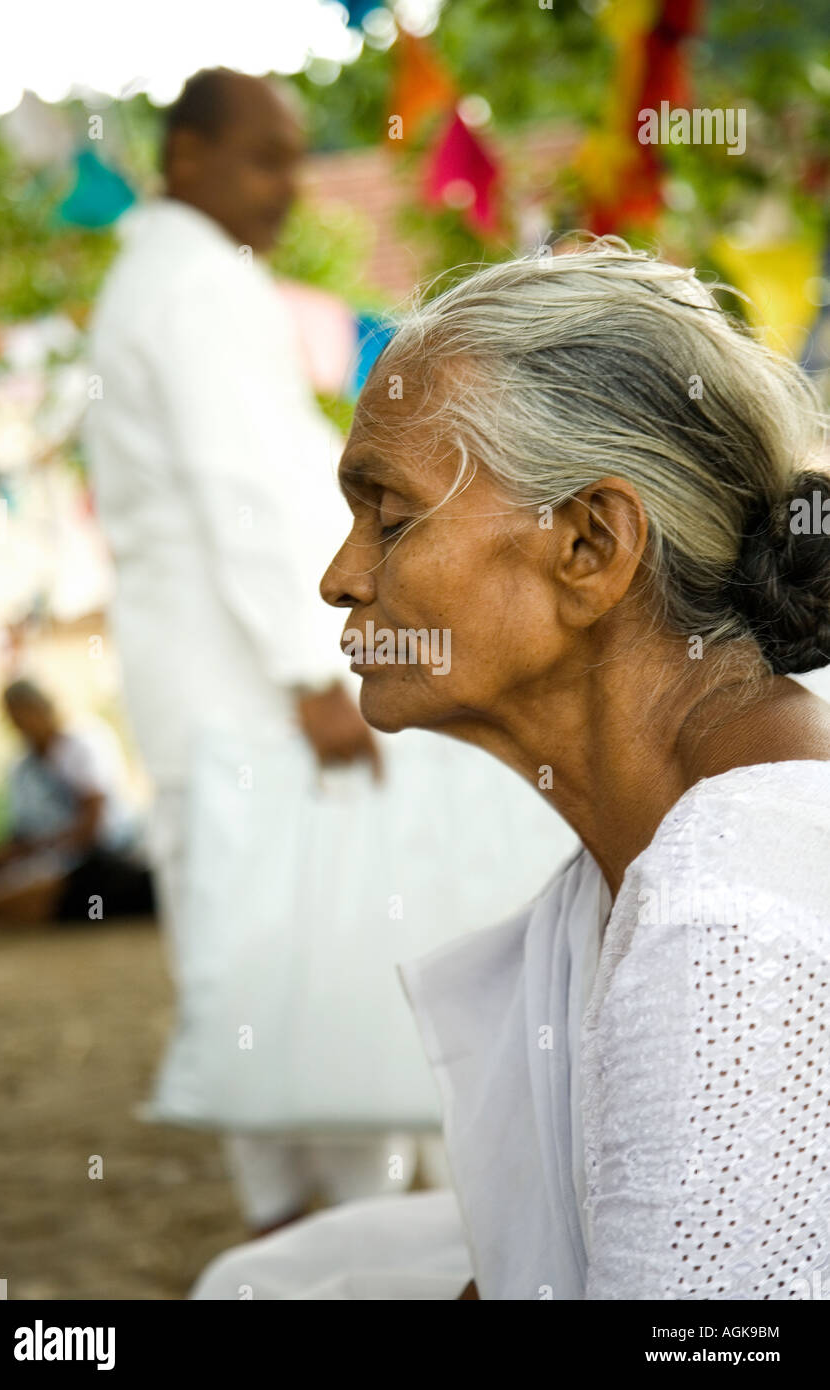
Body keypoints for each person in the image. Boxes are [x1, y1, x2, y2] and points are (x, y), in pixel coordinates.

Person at [193, 239, 830, 1299]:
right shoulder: (665, 850)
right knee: (274, 1278)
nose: (338, 577)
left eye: (389, 519)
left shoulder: (730, 919)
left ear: (587, 544)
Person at [82, 68, 420, 1234]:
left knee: (288, 978)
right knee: (286, 979)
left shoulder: (190, 277)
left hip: (231, 693)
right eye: (266, 157)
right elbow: (241, 498)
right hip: (251, 695)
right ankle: (309, 1240)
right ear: (185, 158)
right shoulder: (188, 285)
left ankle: (319, 1230)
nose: (291, 183)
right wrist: (312, 673)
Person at [0, 680, 153, 923]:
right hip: (43, 861)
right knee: (2, 885)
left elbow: (92, 826)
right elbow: (18, 835)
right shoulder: (21, 769)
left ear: (43, 707)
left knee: (14, 894)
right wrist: (7, 857)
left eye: (24, 713)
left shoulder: (83, 744)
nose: (22, 724)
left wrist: (45, 852)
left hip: (96, 860)